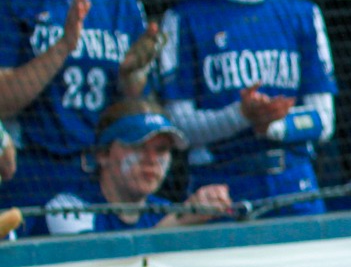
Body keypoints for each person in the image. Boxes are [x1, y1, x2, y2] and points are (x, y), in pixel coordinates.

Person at [155, 0, 336, 218]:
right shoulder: (184, 19)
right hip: (219, 188)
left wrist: (274, 125)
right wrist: (241, 115)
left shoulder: (304, 15)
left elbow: (324, 120)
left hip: (294, 184)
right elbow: (177, 128)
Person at [0, 0, 162, 209]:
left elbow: (139, 103)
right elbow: (3, 100)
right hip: (34, 172)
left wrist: (132, 72)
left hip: (109, 175)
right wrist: (63, 47)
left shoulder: (124, 6)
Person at [21, 99, 231, 236]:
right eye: (138, 146)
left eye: (161, 149)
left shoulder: (162, 210)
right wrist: (183, 219)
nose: (151, 159)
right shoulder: (66, 210)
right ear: (103, 155)